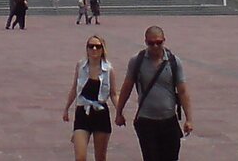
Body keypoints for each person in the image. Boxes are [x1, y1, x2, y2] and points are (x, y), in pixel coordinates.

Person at [115, 26, 194, 161]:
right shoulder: (137, 61)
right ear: (145, 42)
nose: (155, 46)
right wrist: (119, 112)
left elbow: (182, 91)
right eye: (151, 43)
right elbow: (127, 87)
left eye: (159, 42)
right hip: (146, 121)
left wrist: (189, 119)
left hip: (169, 120)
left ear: (164, 40)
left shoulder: (174, 62)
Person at [63, 35, 119, 161]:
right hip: (83, 112)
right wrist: (66, 109)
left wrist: (119, 112)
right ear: (87, 49)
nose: (94, 49)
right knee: (80, 157)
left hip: (101, 114)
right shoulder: (81, 66)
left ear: (102, 49)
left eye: (98, 46)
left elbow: (113, 93)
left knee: (100, 157)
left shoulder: (108, 69)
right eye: (91, 46)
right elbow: (74, 88)